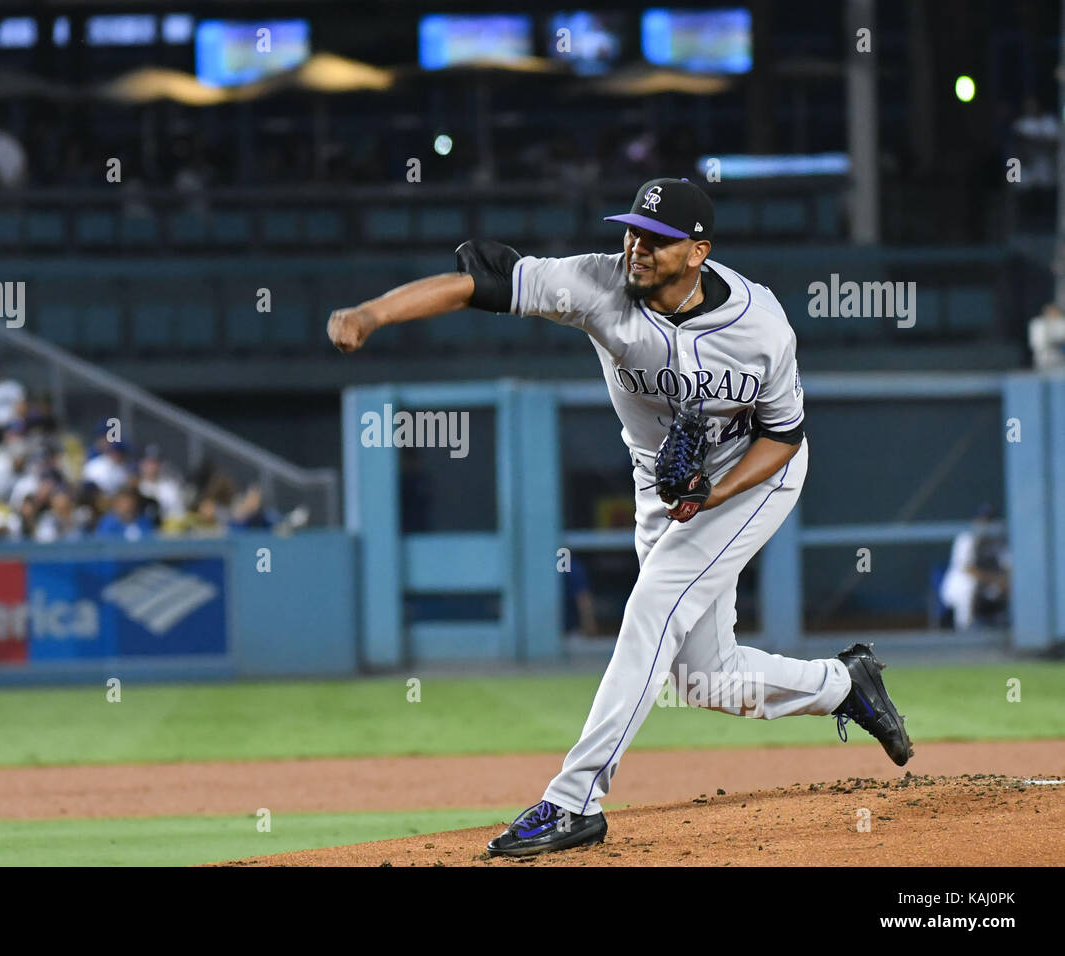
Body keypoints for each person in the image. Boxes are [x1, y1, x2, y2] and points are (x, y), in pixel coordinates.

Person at [327, 176, 915, 858]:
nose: (636, 247)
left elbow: (782, 437)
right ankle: (845, 685)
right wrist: (370, 315)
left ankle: (573, 801)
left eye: (658, 240)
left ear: (698, 251)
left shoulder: (760, 326)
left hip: (753, 476)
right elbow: (481, 280)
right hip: (661, 487)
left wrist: (712, 499)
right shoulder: (595, 285)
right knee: (704, 679)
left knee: (650, 610)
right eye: (633, 230)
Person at [940, 505, 1010, 630]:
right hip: (961, 587)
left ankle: (1005, 623)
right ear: (975, 521)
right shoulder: (965, 538)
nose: (986, 524)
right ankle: (964, 629)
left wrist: (1004, 580)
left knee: (1010, 583)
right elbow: (968, 569)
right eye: (983, 520)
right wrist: (996, 579)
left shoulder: (998, 540)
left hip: (988, 586)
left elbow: (1008, 567)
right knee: (968, 585)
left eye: (990, 521)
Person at [1027, 302, 1065, 371]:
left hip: (1059, 359)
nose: (1052, 313)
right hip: (1043, 359)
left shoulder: (1061, 323)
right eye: (1050, 311)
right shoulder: (1038, 324)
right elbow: (1036, 343)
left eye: (1054, 311)